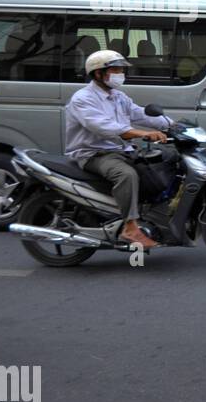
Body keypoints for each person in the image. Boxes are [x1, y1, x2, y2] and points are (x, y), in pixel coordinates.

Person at [64, 49, 172, 251]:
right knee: (126, 174)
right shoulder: (83, 98)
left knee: (162, 162)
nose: (120, 74)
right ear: (98, 73)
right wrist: (140, 134)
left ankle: (152, 214)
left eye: (121, 70)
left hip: (120, 150)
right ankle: (130, 227)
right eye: (115, 70)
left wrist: (171, 125)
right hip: (93, 153)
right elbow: (102, 126)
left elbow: (140, 113)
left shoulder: (117, 96)